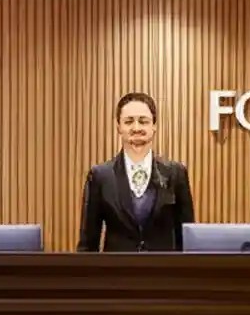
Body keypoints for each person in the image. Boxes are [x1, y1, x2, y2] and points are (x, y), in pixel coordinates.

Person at [76, 92, 196, 252]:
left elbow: (186, 238)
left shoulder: (176, 173)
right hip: (117, 274)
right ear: (118, 126)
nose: (136, 128)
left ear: (154, 126)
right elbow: (88, 243)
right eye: (129, 121)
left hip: (164, 273)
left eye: (143, 121)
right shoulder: (100, 176)